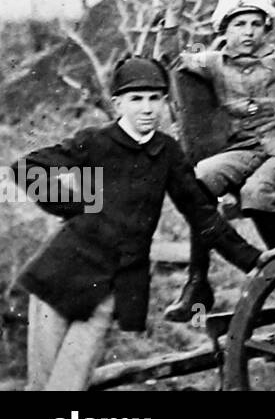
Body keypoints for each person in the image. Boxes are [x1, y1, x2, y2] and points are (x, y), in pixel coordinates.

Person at [15, 56, 261, 390]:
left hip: (111, 288)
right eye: (136, 99)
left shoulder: (168, 152)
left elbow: (202, 214)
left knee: (68, 386)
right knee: (39, 386)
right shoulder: (97, 141)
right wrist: (75, 205)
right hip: (58, 274)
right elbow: (27, 167)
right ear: (118, 104)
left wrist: (253, 259)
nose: (147, 108)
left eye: (154, 98)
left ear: (165, 102)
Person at [158, 0, 275, 322]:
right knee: (200, 181)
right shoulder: (214, 62)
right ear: (224, 29)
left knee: (256, 190)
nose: (248, 32)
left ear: (266, 26)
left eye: (255, 23)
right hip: (248, 147)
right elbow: (172, 59)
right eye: (239, 24)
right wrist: (173, 13)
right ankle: (197, 283)